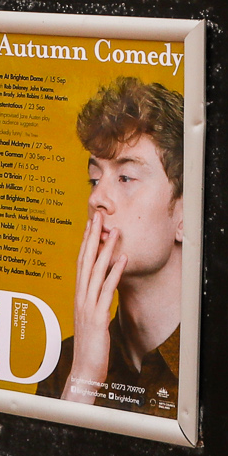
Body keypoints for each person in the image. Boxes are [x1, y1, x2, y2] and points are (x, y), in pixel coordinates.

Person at [40, 77, 184, 419]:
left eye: (125, 178)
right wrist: (83, 378)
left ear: (185, 213)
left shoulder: (227, 368)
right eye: (95, 179)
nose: (96, 198)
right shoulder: (67, 362)